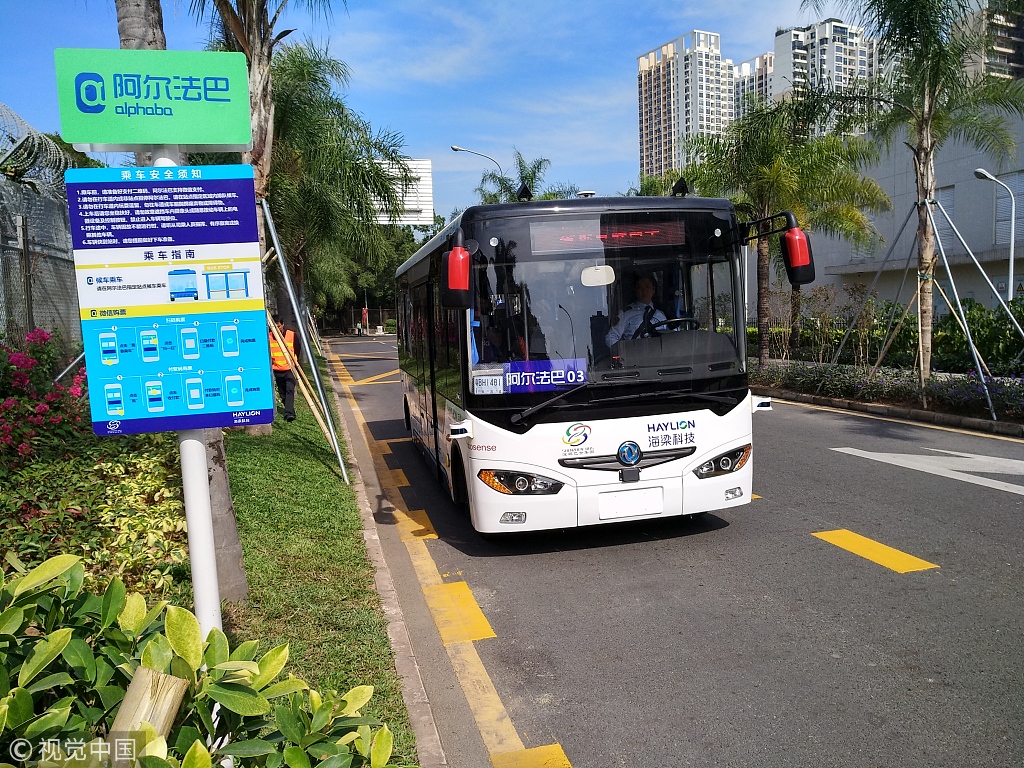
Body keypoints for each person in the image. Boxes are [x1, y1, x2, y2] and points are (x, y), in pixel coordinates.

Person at [605, 275, 667, 346]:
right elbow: (611, 338)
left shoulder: (662, 314)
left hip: (660, 355)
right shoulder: (625, 314)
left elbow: (673, 337)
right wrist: (624, 353)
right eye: (640, 288)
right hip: (634, 355)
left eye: (647, 287)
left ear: (653, 289)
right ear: (635, 290)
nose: (644, 291)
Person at [269, 314, 296, 422]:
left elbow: (297, 350)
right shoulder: (269, 337)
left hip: (290, 369)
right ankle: (290, 410)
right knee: (282, 393)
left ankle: (289, 414)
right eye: (274, 327)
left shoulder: (292, 335)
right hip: (277, 369)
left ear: (283, 324)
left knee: (290, 389)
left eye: (278, 326)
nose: (277, 329)